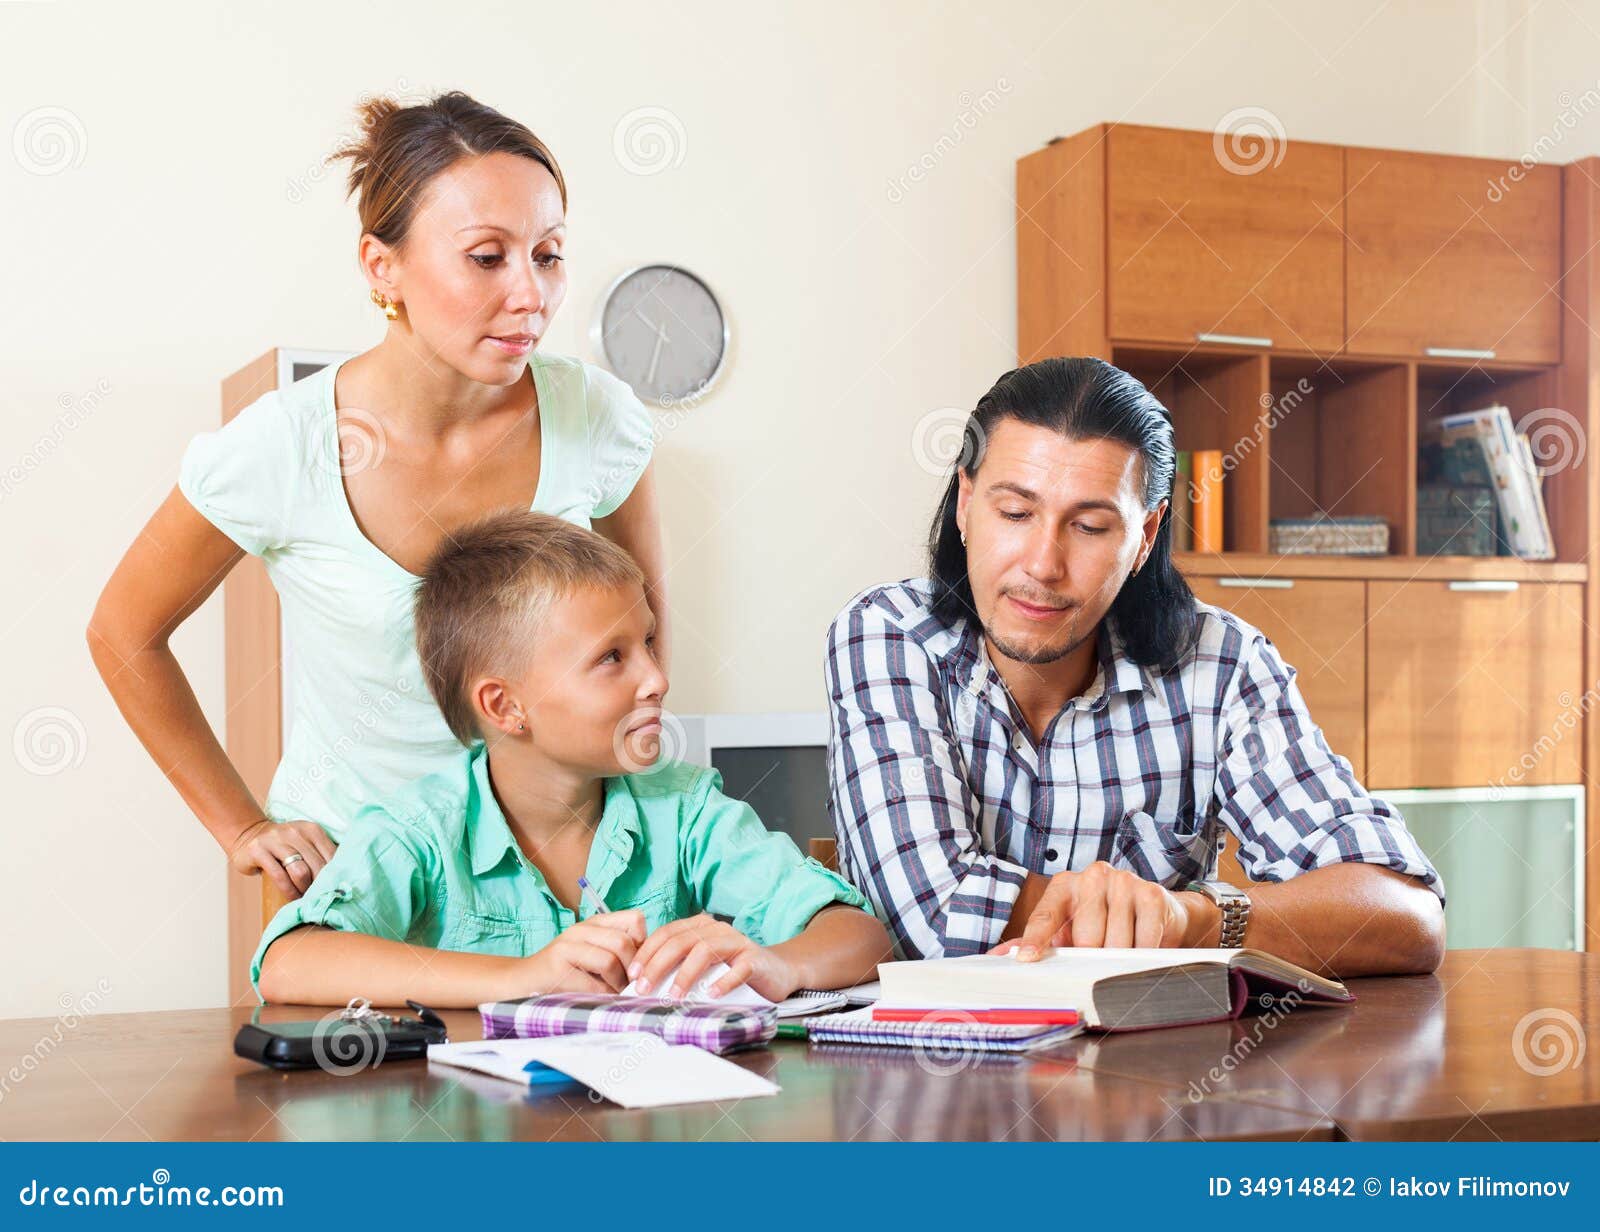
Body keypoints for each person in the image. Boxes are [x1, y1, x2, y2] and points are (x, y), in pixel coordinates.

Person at [87, 91, 667, 900]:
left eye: (549, 253)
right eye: (487, 256)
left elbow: (645, 629)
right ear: (380, 265)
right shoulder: (283, 446)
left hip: (564, 880)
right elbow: (123, 634)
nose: (531, 295)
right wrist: (244, 827)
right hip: (363, 885)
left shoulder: (596, 418)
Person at [825, 356, 1445, 978]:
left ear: (1145, 537)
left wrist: (1193, 917)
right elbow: (930, 918)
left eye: (1090, 527)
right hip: (932, 1069)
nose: (1043, 564)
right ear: (964, 504)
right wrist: (1134, 920)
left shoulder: (1222, 663)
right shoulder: (887, 635)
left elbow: (1407, 918)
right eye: (1015, 514)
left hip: (1160, 1066)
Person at [254, 512, 889, 1007]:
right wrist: (526, 976)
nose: (656, 678)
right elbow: (289, 961)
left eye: (646, 642)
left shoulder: (686, 808)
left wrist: (782, 963)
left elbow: (859, 935)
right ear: (506, 708)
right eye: (612, 657)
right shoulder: (418, 829)